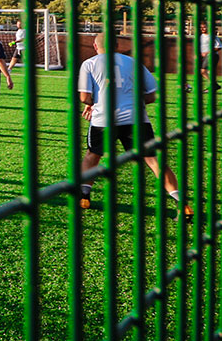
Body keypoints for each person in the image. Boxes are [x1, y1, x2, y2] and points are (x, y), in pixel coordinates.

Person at [77, 34, 185, 213]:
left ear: (95, 46)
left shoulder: (89, 63)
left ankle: (84, 197)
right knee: (153, 160)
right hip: (135, 119)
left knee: (93, 156)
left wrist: (92, 103)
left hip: (104, 120)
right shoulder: (133, 63)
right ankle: (180, 202)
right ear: (118, 45)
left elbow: (84, 97)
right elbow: (153, 94)